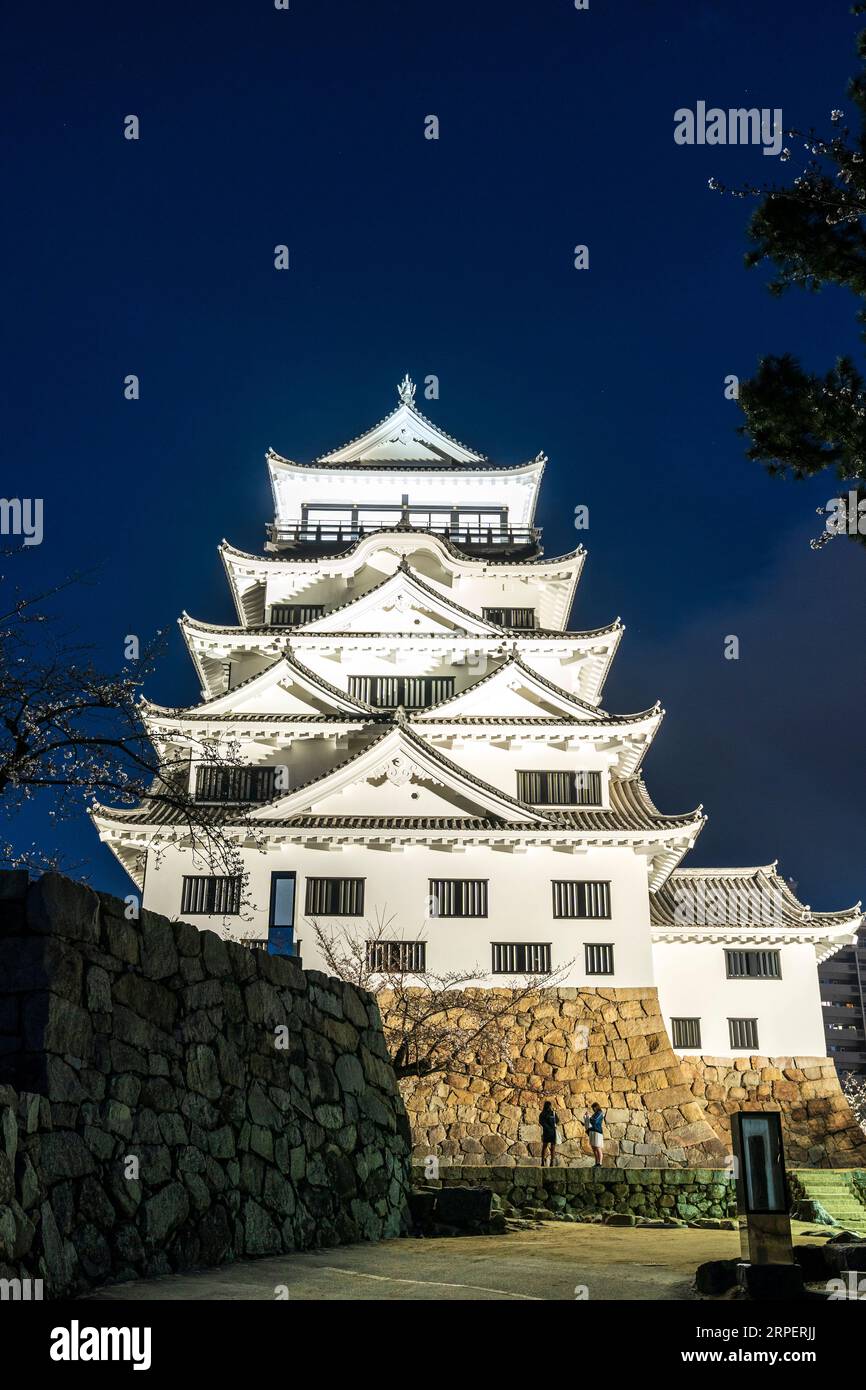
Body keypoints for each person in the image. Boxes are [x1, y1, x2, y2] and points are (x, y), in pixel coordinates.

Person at [539, 1100, 559, 1167]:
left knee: (548, 1147)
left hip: (549, 1132)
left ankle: (549, 1162)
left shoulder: (550, 1113)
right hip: (549, 1132)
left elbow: (557, 1120)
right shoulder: (545, 1113)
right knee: (547, 1147)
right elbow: (541, 1122)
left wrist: (547, 1127)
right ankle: (544, 1161)